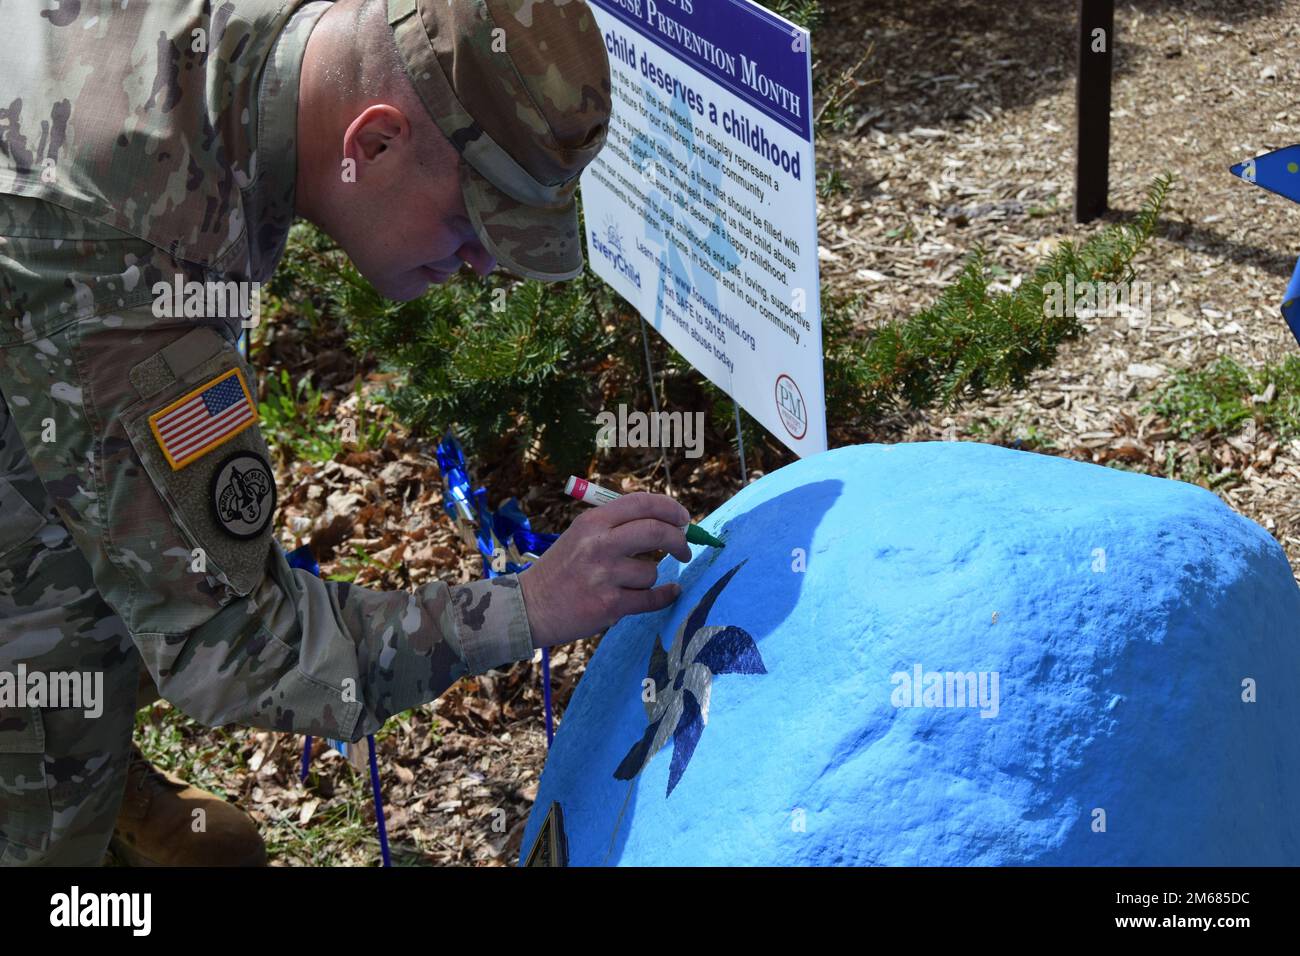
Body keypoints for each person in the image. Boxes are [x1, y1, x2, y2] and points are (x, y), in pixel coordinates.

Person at [0, 0, 690, 866]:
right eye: (473, 219)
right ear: (373, 144)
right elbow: (239, 647)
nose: (482, 264)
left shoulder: (281, 56)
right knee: (52, 675)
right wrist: (530, 605)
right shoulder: (125, 242)